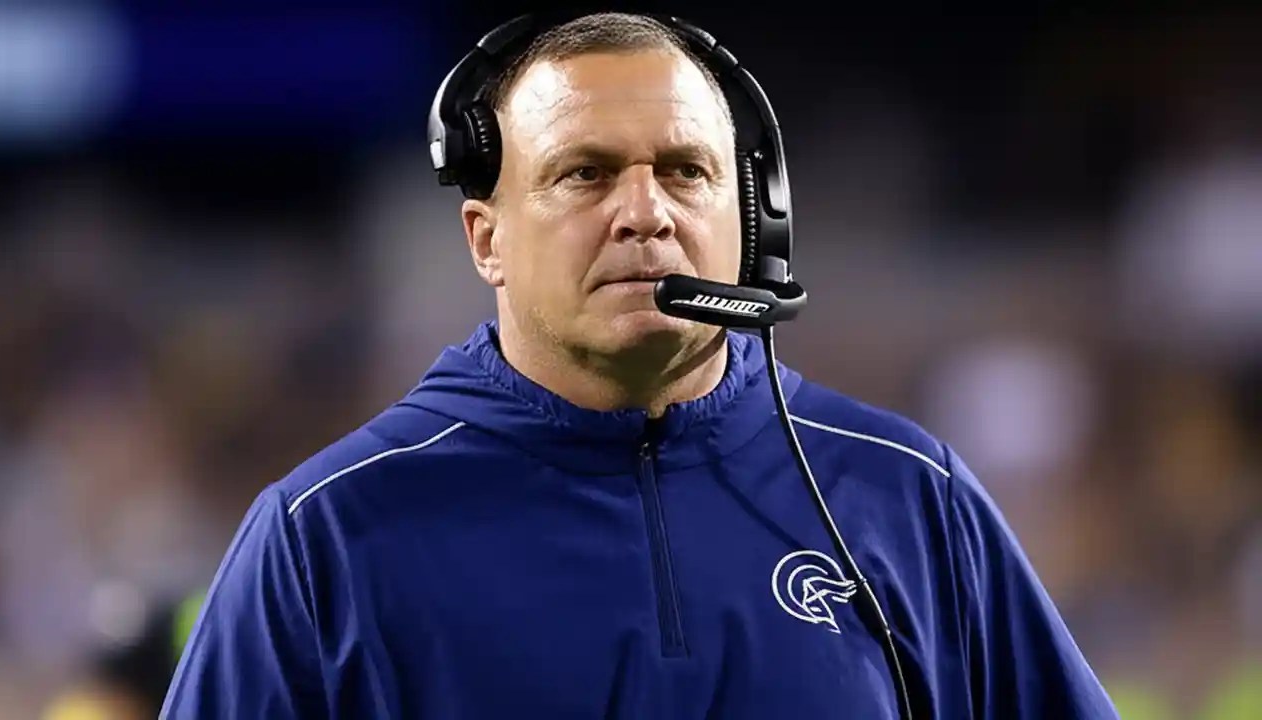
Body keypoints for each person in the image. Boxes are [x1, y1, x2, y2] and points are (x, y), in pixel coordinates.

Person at [161, 12, 1120, 719]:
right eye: (585, 173)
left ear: (752, 225)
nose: (645, 212)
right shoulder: (325, 535)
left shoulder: (912, 499)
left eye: (683, 170)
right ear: (484, 238)